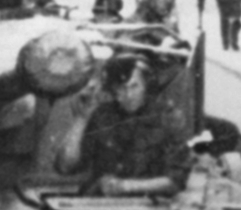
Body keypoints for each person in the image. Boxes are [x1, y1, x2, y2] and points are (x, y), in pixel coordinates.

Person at [53, 53, 192, 197]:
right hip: (100, 207)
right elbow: (65, 166)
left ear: (146, 85)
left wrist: (125, 186)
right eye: (121, 88)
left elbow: (176, 181)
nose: (129, 95)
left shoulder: (167, 118)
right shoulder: (102, 116)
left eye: (134, 86)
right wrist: (81, 118)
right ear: (113, 90)